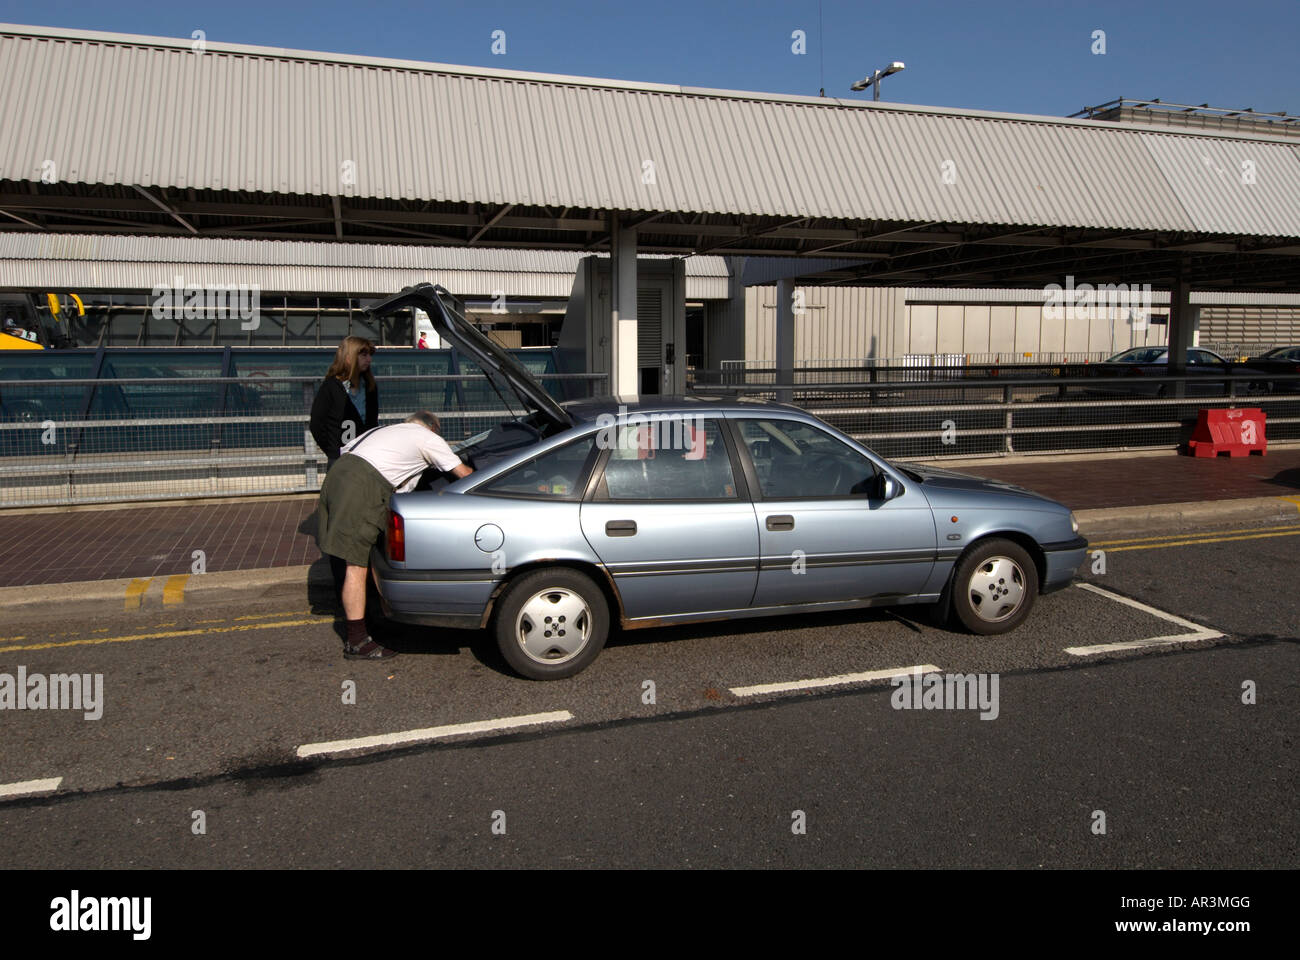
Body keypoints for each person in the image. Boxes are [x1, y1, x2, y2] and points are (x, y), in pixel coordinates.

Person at [315, 411, 472, 660]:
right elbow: (465, 476)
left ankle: (370, 621)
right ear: (433, 428)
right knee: (355, 565)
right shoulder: (428, 438)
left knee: (362, 556)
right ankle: (357, 642)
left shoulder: (384, 430)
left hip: (339, 475)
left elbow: (349, 452)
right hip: (362, 484)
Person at [310, 337, 379, 597]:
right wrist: (333, 452)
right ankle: (343, 582)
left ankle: (364, 580)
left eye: (370, 355)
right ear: (349, 357)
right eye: (363, 355)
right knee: (341, 521)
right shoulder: (331, 387)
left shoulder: (370, 387)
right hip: (341, 463)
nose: (368, 360)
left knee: (366, 516)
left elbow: (372, 423)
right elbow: (317, 424)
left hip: (366, 463)